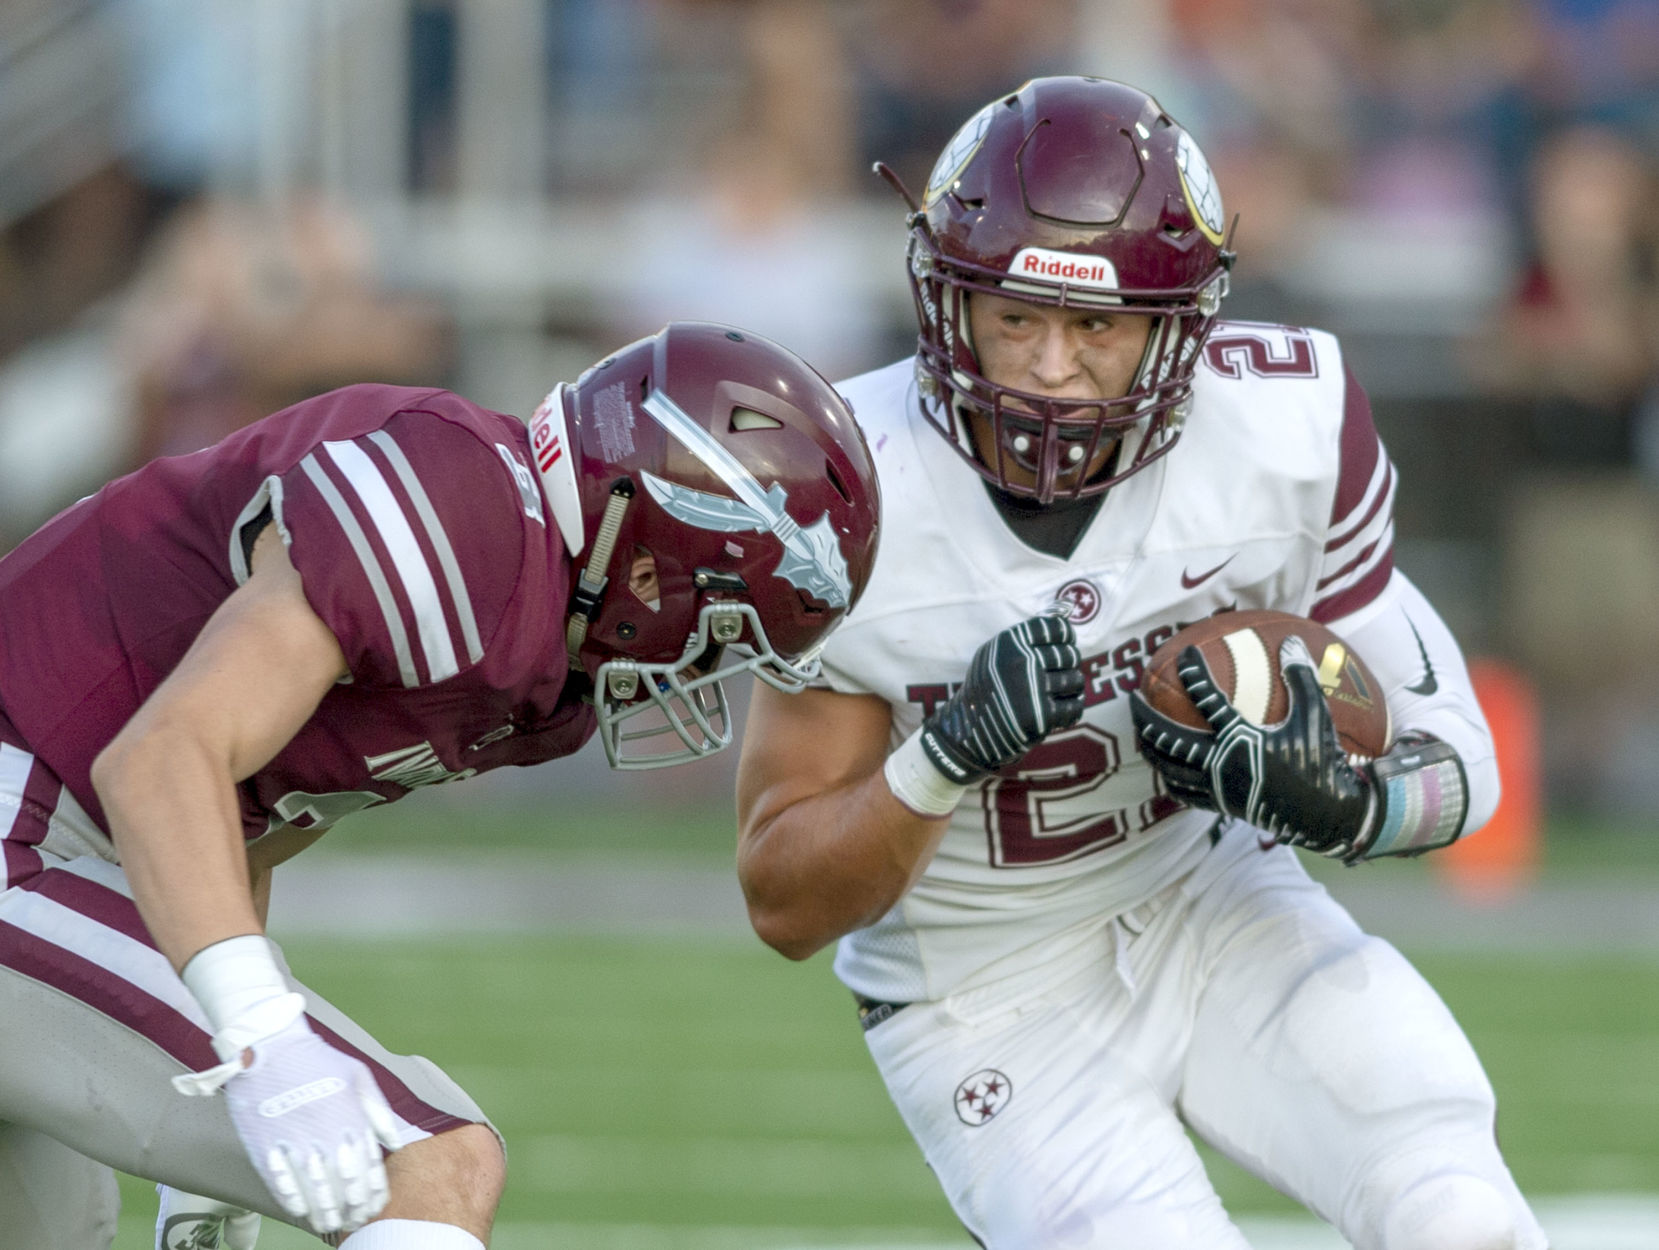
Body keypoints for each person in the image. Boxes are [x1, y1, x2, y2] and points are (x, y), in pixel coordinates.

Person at [735, 77, 1546, 1249]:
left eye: (1097, 326)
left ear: (1178, 328)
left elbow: (1465, 764)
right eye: (1014, 317)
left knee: (1460, 1210)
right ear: (947, 303)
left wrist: (1355, 799)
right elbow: (784, 901)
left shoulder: (1280, 435)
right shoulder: (851, 498)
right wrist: (943, 759)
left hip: (1214, 899)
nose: (1051, 369)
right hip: (985, 991)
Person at [0, 320, 880, 1249]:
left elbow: (249, 811)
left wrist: (226, 1102)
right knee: (430, 1163)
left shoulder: (544, 664)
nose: (702, 670)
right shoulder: (463, 513)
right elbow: (164, 759)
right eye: (718, 628)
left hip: (63, 838)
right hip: (28, 816)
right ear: (646, 545)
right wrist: (260, 1033)